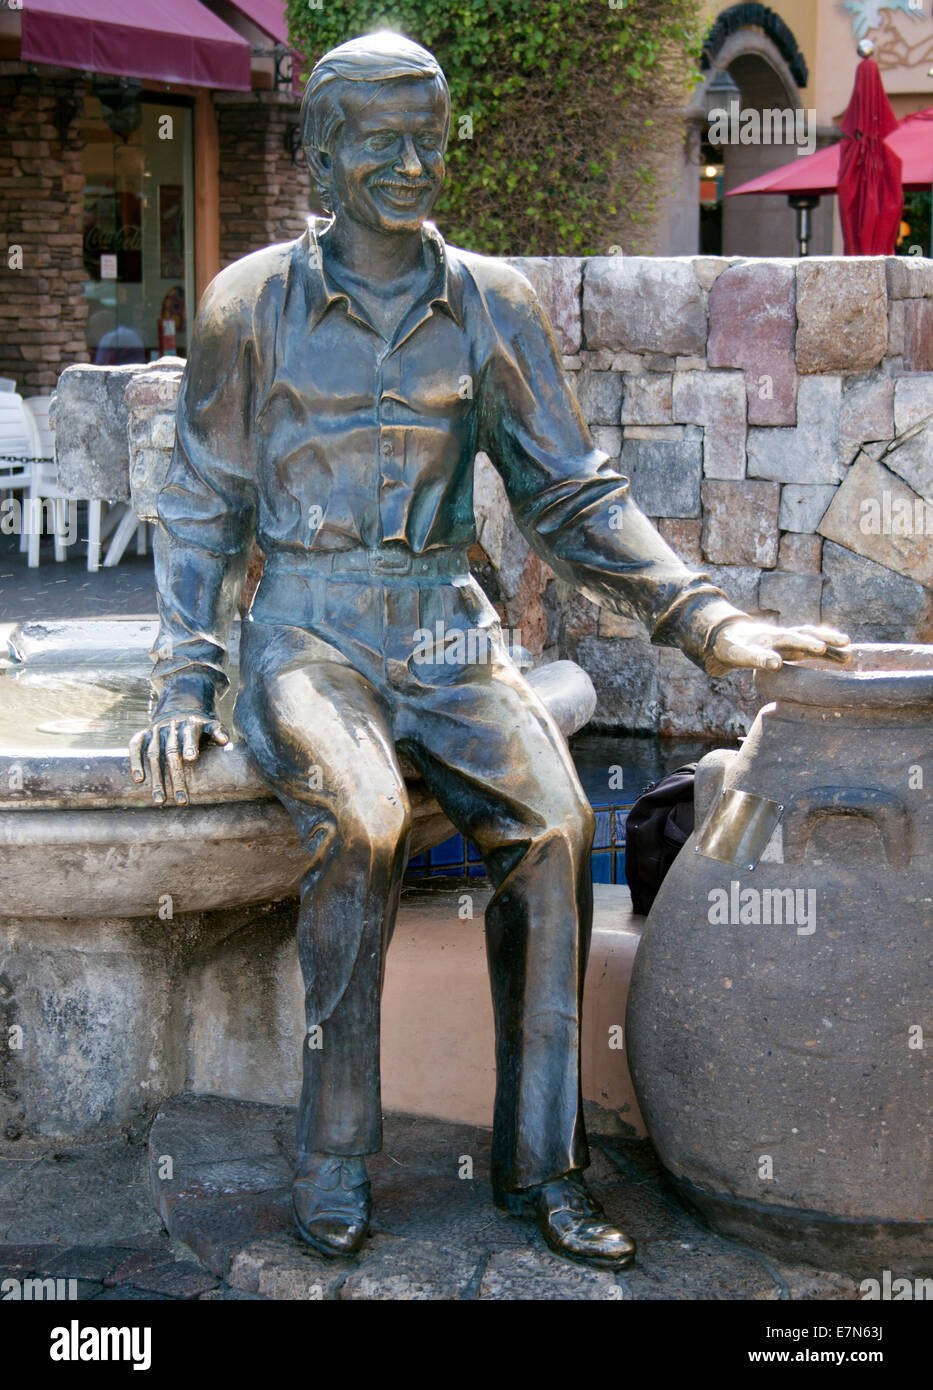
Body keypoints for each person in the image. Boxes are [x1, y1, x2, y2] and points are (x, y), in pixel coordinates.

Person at [129, 32, 849, 1270]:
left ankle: (542, 1166)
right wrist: (189, 669)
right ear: (324, 152)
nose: (415, 164)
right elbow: (202, 501)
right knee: (358, 819)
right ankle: (337, 1154)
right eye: (383, 141)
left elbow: (573, 494)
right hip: (307, 622)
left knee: (560, 825)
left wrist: (708, 619)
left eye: (431, 137)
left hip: (445, 622)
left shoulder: (491, 302)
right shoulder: (251, 303)